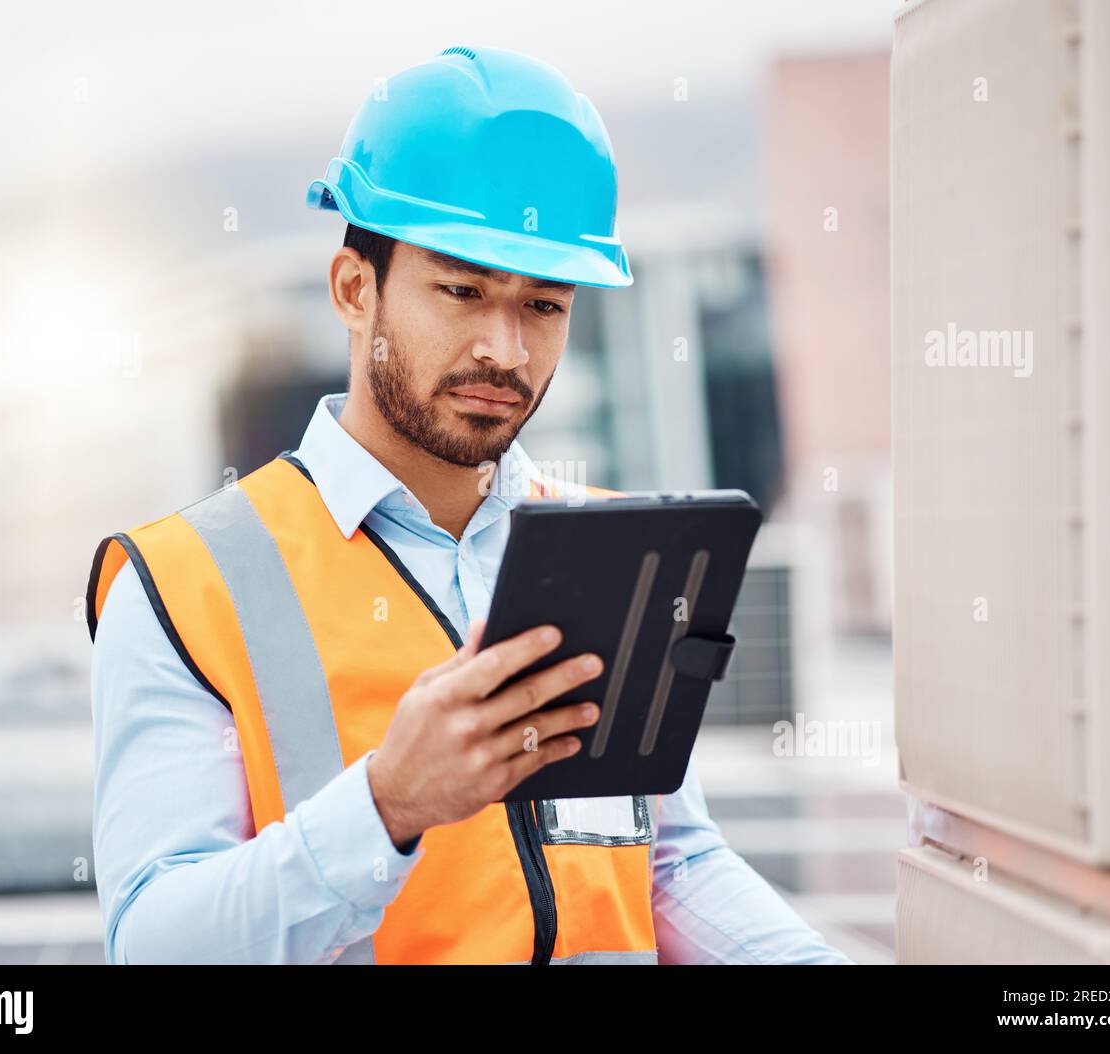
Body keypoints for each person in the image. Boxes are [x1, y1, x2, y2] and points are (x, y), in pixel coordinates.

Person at [88, 44, 853, 965]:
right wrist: (387, 806)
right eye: (462, 291)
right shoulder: (183, 582)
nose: (507, 350)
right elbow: (155, 946)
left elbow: (668, 864)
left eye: (544, 305)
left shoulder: (612, 549)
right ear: (353, 289)